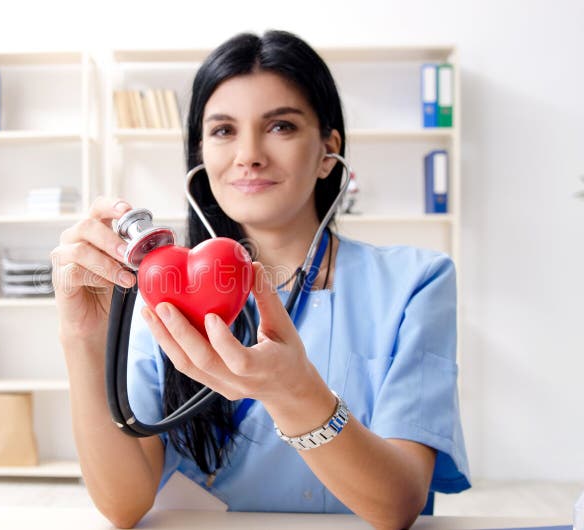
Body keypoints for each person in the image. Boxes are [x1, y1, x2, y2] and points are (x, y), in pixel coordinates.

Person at [51, 29, 470, 529]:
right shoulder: (164, 286)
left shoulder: (416, 282)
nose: (248, 154)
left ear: (327, 152)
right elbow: (124, 504)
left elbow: (398, 504)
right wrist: (82, 337)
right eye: (224, 131)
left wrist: (293, 391)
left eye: (281, 127)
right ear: (201, 158)